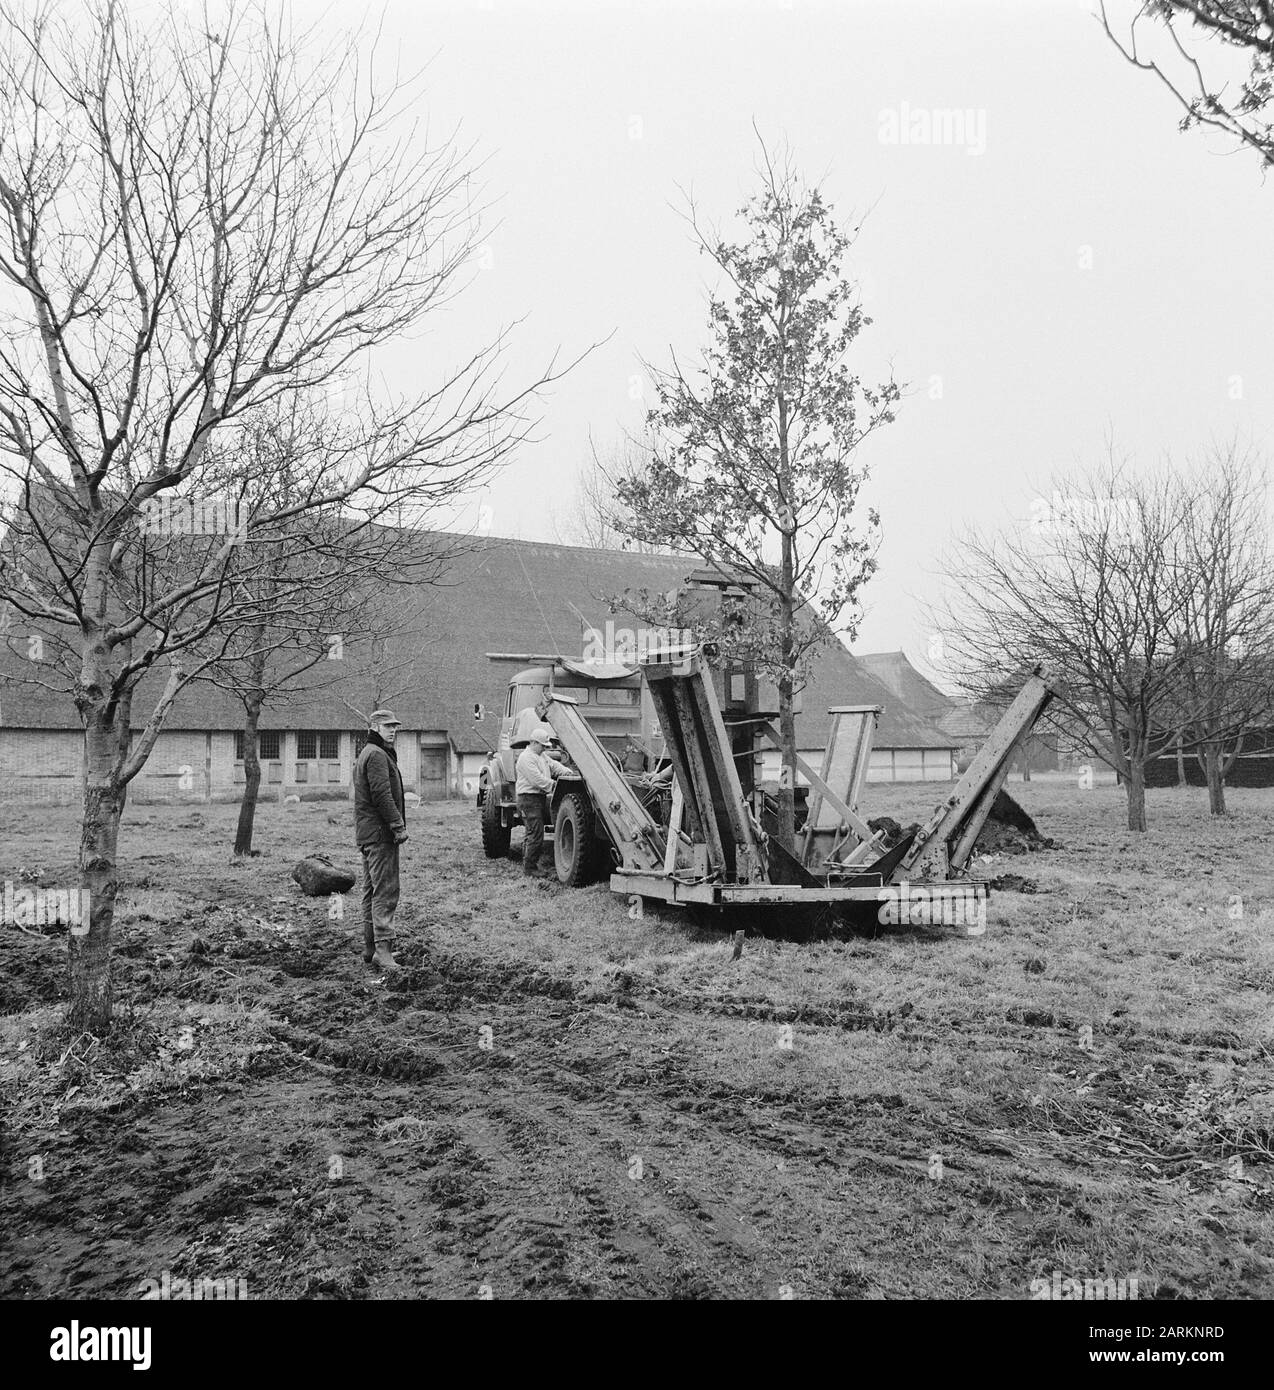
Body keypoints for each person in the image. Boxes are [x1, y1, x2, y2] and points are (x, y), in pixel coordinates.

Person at [353, 709, 408, 970]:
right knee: (385, 889)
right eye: (387, 726)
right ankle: (383, 950)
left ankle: (370, 948)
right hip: (379, 834)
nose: (393, 730)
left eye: (395, 726)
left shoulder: (370, 752)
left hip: (368, 833)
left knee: (371, 890)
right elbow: (382, 796)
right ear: (374, 726)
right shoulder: (376, 755)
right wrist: (397, 825)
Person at [515, 723, 569, 878]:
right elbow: (537, 780)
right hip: (528, 799)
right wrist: (556, 785)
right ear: (534, 743)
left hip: (536, 799)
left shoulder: (540, 756)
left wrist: (569, 773)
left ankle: (528, 865)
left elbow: (555, 766)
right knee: (536, 835)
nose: (545, 749)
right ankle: (530, 869)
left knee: (531, 833)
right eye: (543, 746)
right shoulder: (526, 758)